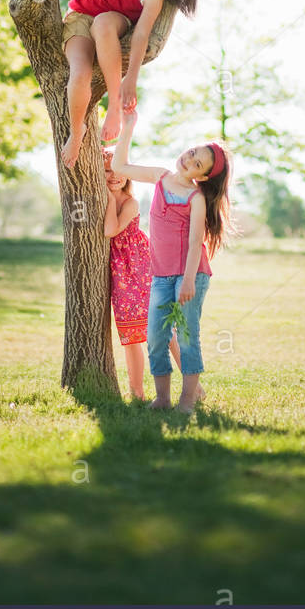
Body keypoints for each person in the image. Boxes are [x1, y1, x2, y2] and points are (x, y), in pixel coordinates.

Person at [112, 110, 231, 414]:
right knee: (156, 337)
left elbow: (195, 242)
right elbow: (120, 166)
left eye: (197, 164)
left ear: (202, 177)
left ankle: (188, 400)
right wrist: (128, 127)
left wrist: (188, 280)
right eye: (192, 152)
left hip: (190, 275)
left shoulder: (196, 198)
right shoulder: (161, 177)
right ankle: (162, 398)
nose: (189, 160)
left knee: (187, 336)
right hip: (161, 276)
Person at [61, 0, 198, 168]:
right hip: (80, 17)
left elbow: (141, 35)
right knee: (80, 73)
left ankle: (113, 106)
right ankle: (76, 132)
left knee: (103, 23)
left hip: (114, 23)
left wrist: (131, 79)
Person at [102, 150, 183, 399]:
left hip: (140, 268)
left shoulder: (130, 203)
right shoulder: (97, 198)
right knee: (130, 334)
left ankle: (194, 385)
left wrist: (108, 198)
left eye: (118, 171)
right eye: (107, 171)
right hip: (120, 271)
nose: (114, 176)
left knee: (164, 328)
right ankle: (137, 392)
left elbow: (110, 230)